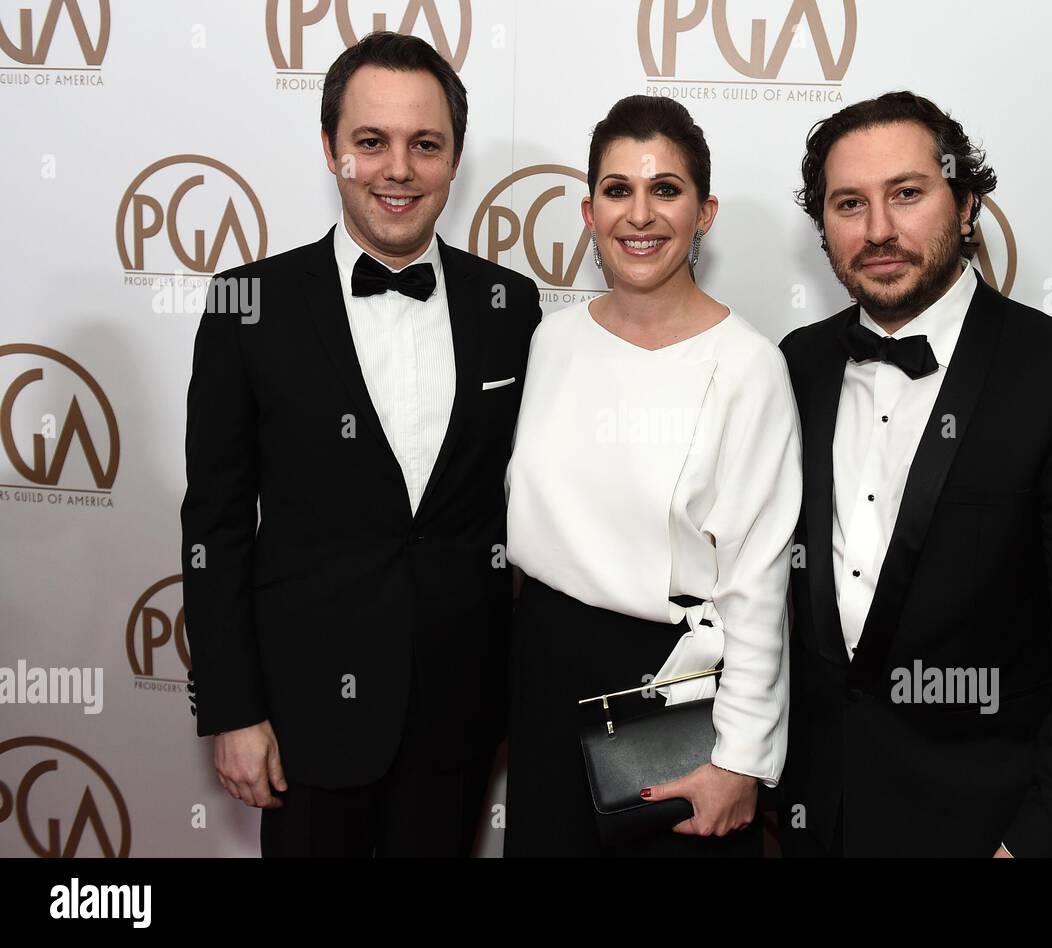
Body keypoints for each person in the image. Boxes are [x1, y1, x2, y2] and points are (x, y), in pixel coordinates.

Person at [181, 31, 541, 857]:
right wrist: (233, 709)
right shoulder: (249, 305)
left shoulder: (509, 307)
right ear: (330, 151)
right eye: (370, 142)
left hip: (458, 718)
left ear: (454, 158)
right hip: (303, 719)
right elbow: (217, 525)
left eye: (425, 144)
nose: (398, 169)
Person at [778, 91, 1052, 857]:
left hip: (989, 823)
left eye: (907, 194)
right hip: (819, 815)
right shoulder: (795, 364)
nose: (878, 229)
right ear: (824, 228)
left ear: (968, 204)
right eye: (849, 203)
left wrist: (1045, 837)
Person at [502, 95, 801, 857]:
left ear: (704, 213)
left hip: (672, 689)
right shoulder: (550, 342)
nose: (640, 215)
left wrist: (741, 759)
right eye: (617, 190)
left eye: (666, 190)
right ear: (588, 209)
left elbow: (758, 585)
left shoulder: (750, 368)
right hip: (543, 673)